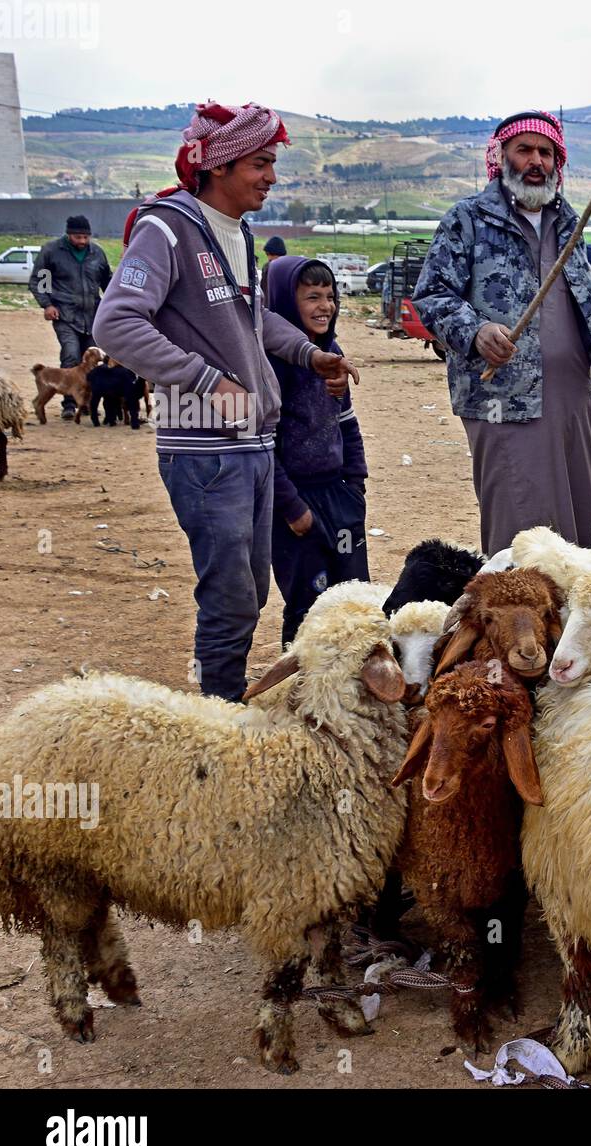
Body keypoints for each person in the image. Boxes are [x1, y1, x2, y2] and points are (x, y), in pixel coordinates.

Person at [94, 101, 356, 701]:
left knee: (250, 591)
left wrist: (308, 356)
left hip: (253, 444)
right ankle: (218, 712)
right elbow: (116, 323)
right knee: (231, 595)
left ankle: (222, 698)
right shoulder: (167, 228)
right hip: (205, 446)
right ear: (220, 165)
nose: (270, 177)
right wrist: (207, 380)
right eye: (260, 164)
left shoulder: (236, 232)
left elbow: (254, 318)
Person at [412, 109, 591, 554]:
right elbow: (430, 295)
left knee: (582, 525)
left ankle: (576, 623)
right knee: (521, 533)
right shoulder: (467, 220)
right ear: (501, 157)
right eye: (524, 150)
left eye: (546, 152)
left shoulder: (570, 225)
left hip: (574, 398)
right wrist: (477, 330)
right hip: (503, 400)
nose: (536, 161)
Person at [265, 257, 369, 646]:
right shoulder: (272, 365)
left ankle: (357, 689)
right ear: (286, 303)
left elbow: (348, 423)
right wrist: (292, 508)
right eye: (312, 296)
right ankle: (304, 689)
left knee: (355, 598)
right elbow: (264, 446)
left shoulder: (332, 354)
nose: (325, 305)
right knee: (308, 606)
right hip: (294, 502)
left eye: (330, 296)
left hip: (337, 494)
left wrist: (355, 486)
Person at [28, 215, 112, 420]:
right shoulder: (52, 252)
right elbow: (39, 281)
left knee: (94, 362)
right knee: (71, 354)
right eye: (77, 237)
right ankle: (69, 403)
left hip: (93, 315)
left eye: (85, 237)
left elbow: (108, 283)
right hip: (65, 314)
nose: (82, 241)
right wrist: (47, 305)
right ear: (68, 235)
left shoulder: (97, 253)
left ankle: (90, 402)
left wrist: (113, 306)